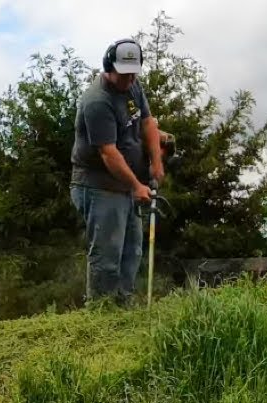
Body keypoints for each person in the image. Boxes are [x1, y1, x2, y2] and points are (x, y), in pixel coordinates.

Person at [69, 38, 166, 304]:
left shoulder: (134, 86)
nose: (129, 79)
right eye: (124, 74)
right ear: (108, 66)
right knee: (107, 257)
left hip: (125, 185)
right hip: (99, 186)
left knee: (132, 252)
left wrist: (156, 162)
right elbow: (108, 153)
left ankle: (124, 309)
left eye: (134, 73)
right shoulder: (97, 101)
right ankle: (101, 312)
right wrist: (136, 185)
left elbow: (148, 123)